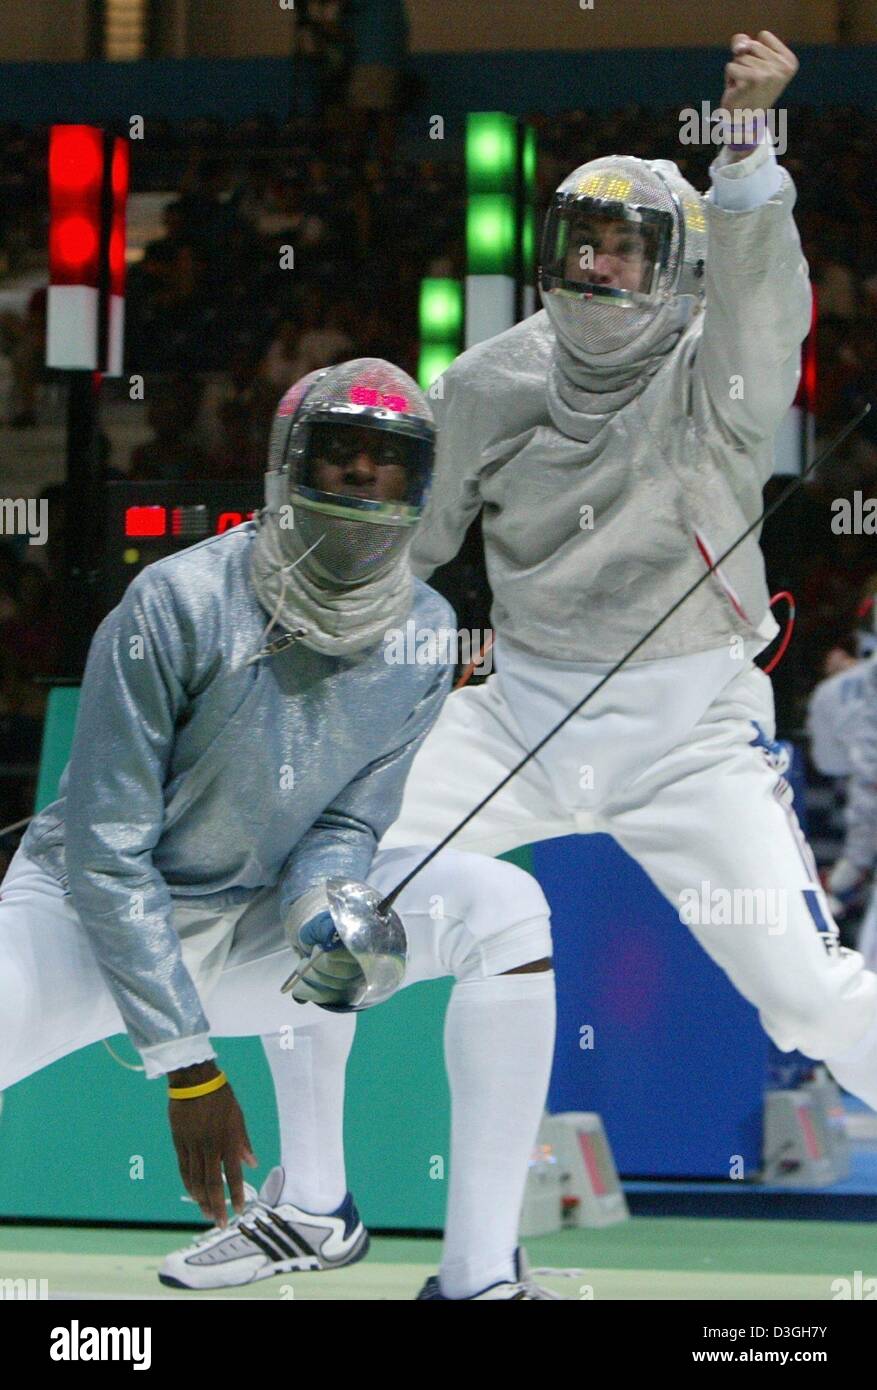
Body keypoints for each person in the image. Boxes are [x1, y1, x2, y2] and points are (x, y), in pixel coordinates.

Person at [229, 30, 877, 1288]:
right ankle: (313, 1198)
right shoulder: (486, 380)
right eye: (583, 239)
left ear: (672, 267)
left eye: (629, 246)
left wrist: (745, 147)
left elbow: (763, 297)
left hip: (689, 731)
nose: (599, 263)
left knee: (804, 995)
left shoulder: (721, 379)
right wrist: (288, 642)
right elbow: (405, 552)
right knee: (317, 899)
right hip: (515, 710)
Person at [0, 360, 557, 1301]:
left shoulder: (425, 628)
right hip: (85, 927)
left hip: (250, 931)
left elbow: (347, 821)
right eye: (337, 452)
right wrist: (187, 1068)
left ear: (416, 482)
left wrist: (325, 914)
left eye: (385, 459)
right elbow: (105, 853)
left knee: (503, 909)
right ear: (288, 466)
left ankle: (477, 1278)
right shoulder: (176, 603)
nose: (359, 474)